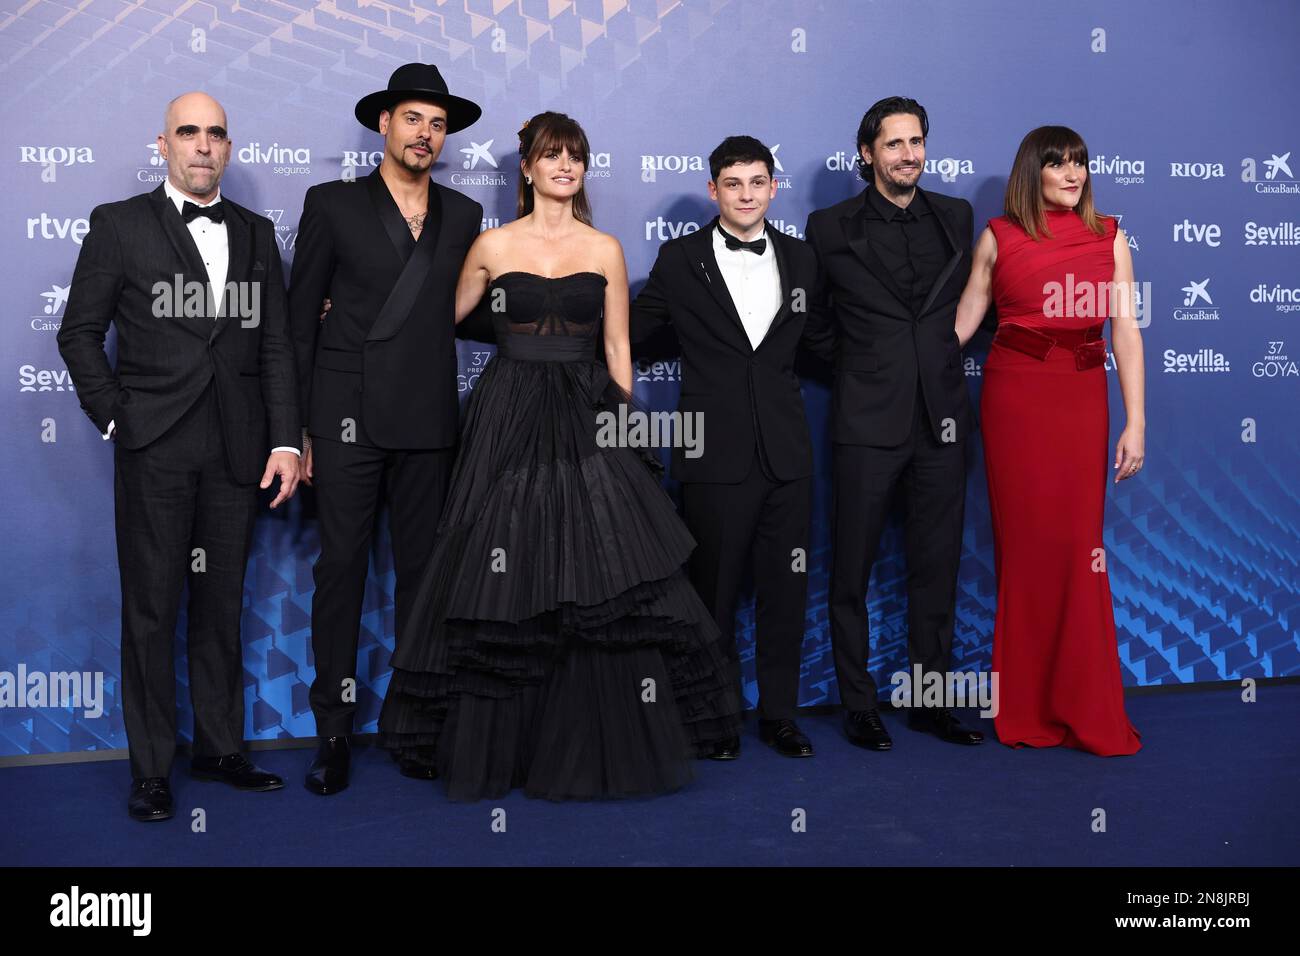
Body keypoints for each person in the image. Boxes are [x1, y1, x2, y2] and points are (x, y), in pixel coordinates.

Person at [379, 111, 743, 800]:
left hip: (588, 414)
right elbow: (433, 324)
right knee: (506, 564)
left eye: (574, 155)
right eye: (551, 155)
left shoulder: (604, 247)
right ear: (528, 168)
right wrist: (358, 316)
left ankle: (589, 736)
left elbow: (617, 350)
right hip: (507, 413)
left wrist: (625, 428)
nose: (564, 166)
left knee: (598, 574)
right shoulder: (492, 244)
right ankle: (503, 743)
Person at [57, 92, 301, 821]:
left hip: (237, 447)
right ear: (161, 144)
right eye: (188, 133)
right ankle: (152, 768)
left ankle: (221, 748)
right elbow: (79, 333)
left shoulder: (257, 234)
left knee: (222, 605)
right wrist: (115, 419)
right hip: (154, 446)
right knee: (152, 610)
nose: (203, 145)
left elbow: (276, 345)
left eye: (216, 133)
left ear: (229, 148)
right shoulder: (119, 225)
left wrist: (286, 438)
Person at [288, 63, 484, 795]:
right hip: (346, 421)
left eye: (437, 124)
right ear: (384, 124)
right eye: (413, 119)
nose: (425, 134)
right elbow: (297, 322)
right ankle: (333, 734)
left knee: (424, 583)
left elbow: (472, 309)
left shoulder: (464, 217)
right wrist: (297, 429)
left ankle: (414, 728)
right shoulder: (333, 204)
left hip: (429, 421)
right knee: (340, 574)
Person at [630, 136, 835, 760]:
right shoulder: (679, 258)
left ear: (774, 188)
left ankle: (779, 717)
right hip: (712, 455)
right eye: (733, 183)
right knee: (710, 597)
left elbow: (827, 342)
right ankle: (711, 718)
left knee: (786, 593)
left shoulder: (803, 260)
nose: (746, 194)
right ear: (715, 190)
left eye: (757, 182)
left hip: (787, 457)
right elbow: (633, 332)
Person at [954, 126, 1144, 755]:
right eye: (1059, 163)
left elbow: (1125, 333)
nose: (1073, 173)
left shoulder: (1109, 236)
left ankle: (1085, 706)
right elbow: (960, 327)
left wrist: (1135, 421)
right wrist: (888, 371)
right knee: (1027, 549)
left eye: (1081, 162)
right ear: (1031, 172)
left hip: (1082, 400)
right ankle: (1028, 708)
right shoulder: (999, 237)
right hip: (1015, 399)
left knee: (1079, 548)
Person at [805, 96, 984, 750]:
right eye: (894, 144)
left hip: (942, 420)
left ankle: (931, 700)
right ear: (867, 153)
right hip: (866, 421)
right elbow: (813, 322)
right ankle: (858, 704)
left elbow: (976, 303)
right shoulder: (829, 226)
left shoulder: (958, 217)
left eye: (917, 142)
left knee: (936, 568)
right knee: (850, 569)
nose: (908, 154)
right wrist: (861, 371)